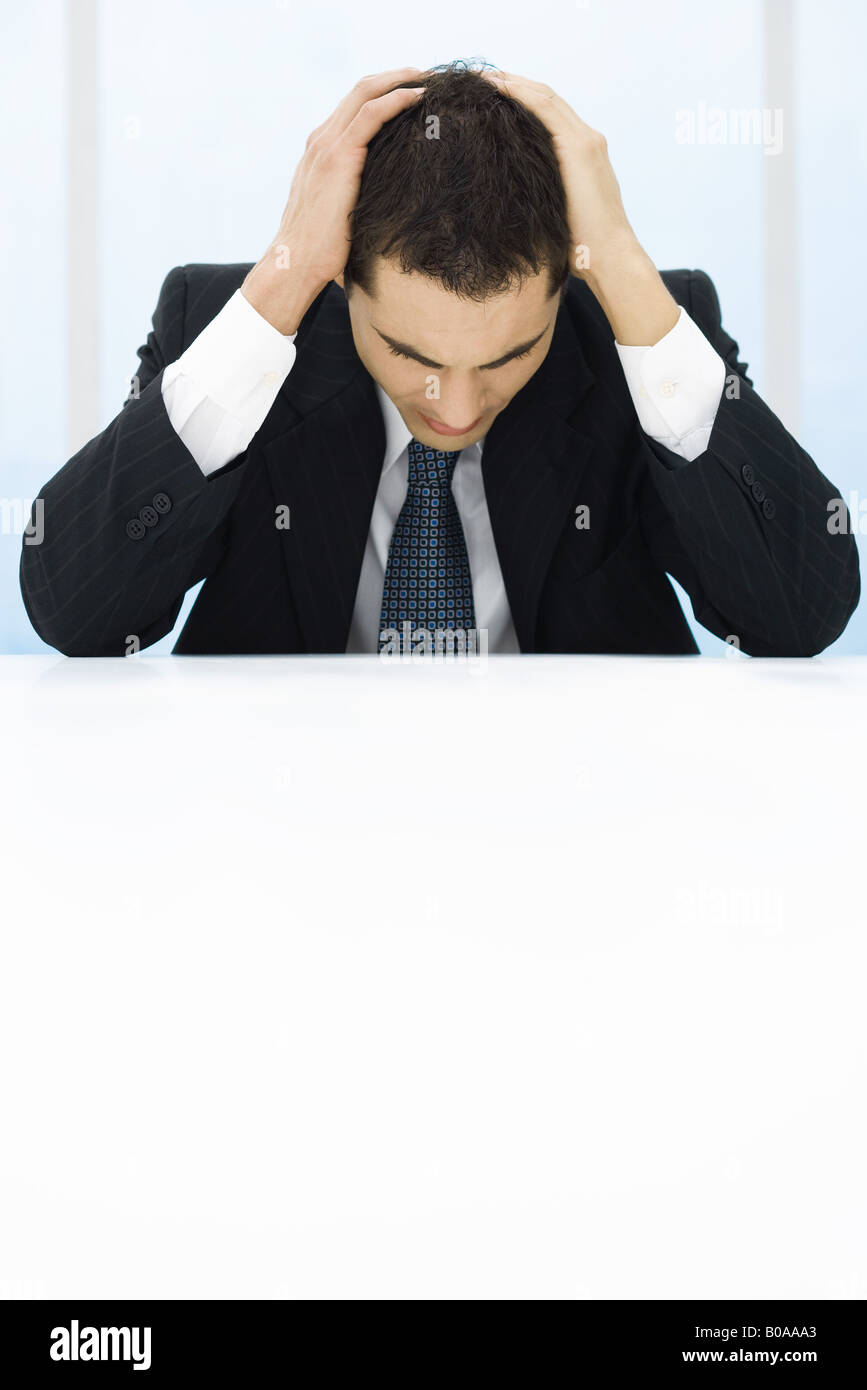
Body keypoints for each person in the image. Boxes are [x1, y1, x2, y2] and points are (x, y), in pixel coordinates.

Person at [20, 62, 859, 657]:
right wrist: (280, 284)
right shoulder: (231, 327)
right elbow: (74, 610)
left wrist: (623, 268)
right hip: (276, 819)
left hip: (594, 815)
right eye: (407, 351)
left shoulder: (630, 333)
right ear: (340, 280)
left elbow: (799, 615)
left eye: (509, 355)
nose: (455, 410)